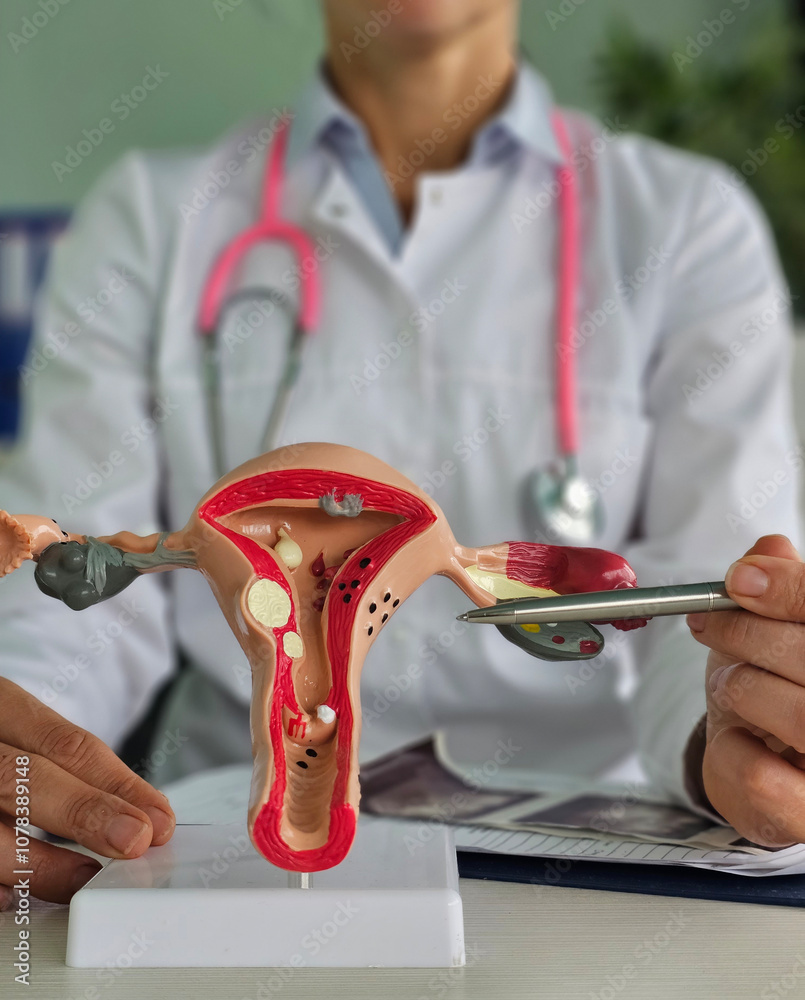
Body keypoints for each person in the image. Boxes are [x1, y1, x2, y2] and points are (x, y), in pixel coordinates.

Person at [0, 0, 801, 907]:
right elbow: (68, 603)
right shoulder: (152, 218)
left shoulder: (687, 225)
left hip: (593, 881)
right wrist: (22, 762)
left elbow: (709, 606)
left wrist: (736, 731)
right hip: (222, 862)